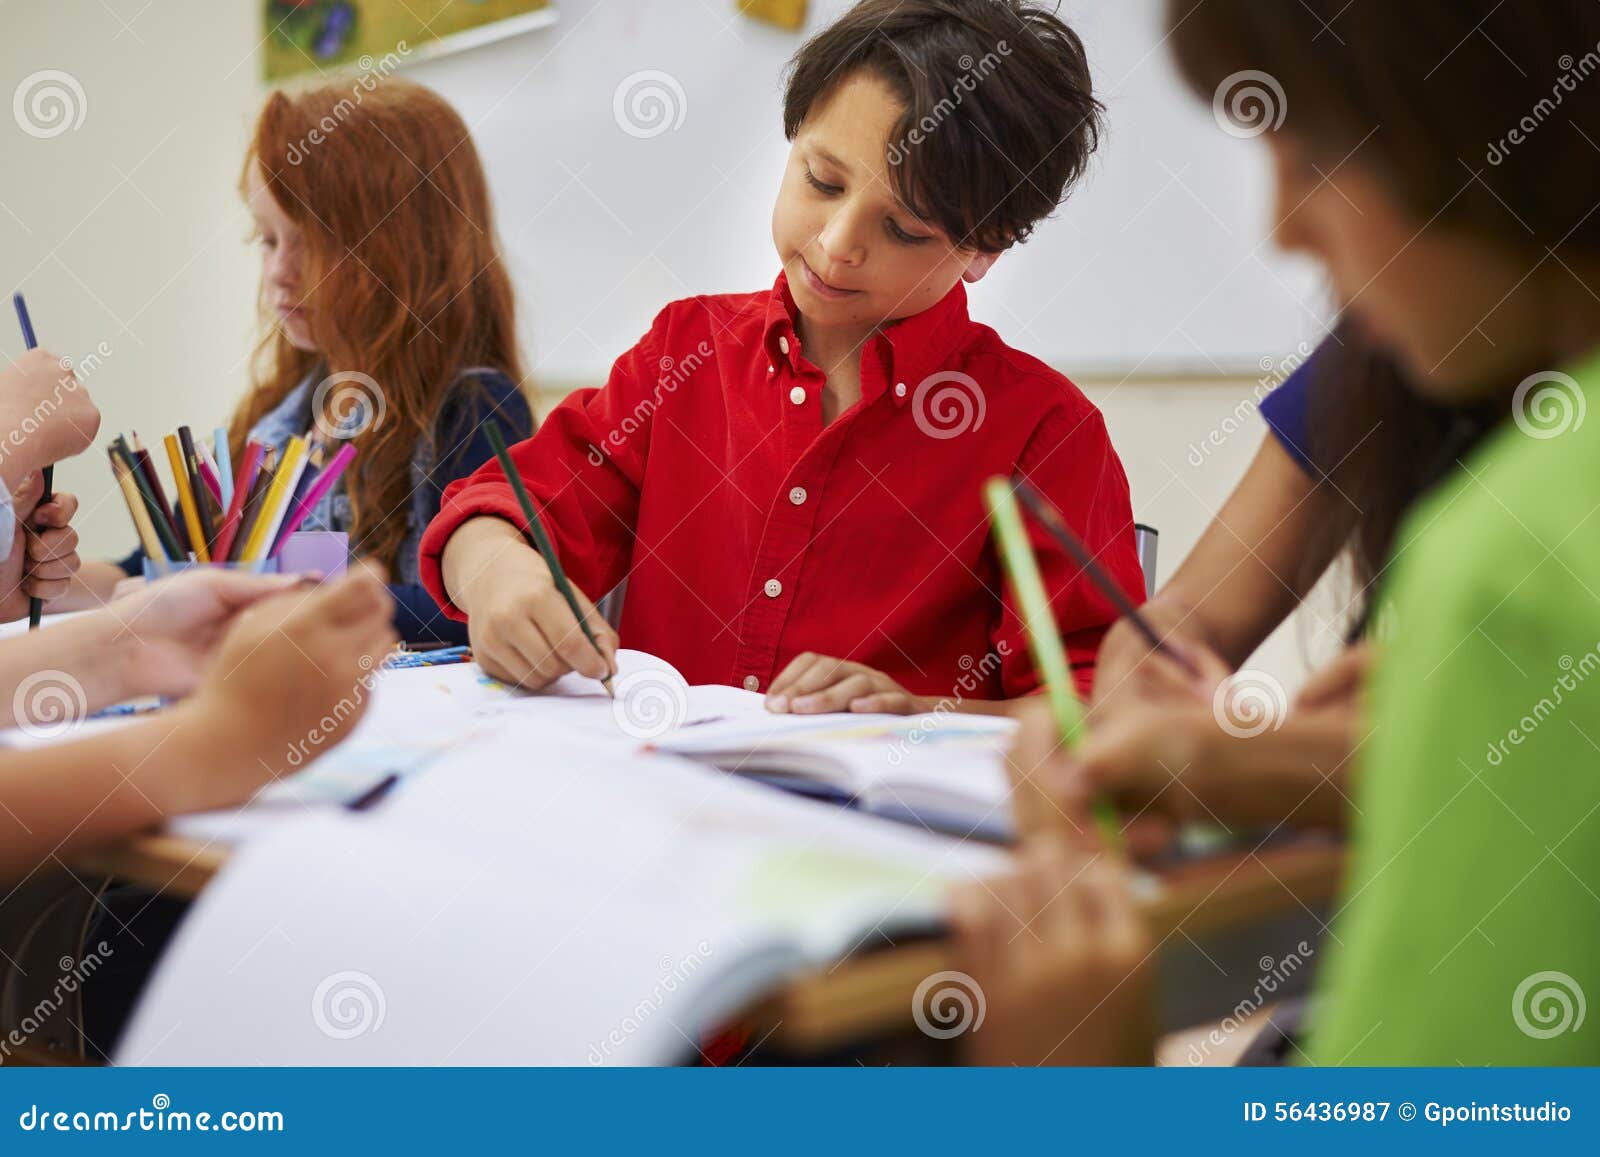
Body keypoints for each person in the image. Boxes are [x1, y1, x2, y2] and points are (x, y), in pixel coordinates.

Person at [954, 0, 1600, 1065]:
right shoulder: (1399, 362)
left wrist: (1063, 1086)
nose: (1282, 227)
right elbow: (1193, 614)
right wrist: (1327, 753)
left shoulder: (1518, 563)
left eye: (1313, 150)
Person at [422, 0, 1145, 712]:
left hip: (882, 826)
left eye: (904, 228)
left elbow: (1098, 711)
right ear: (792, 138)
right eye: (822, 181)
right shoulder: (687, 352)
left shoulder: (1044, 431)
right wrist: (495, 571)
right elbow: (500, 509)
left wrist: (919, 713)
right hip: (659, 796)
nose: (836, 244)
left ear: (985, 248)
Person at [63, 81, 534, 645]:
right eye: (266, 239)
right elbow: (153, 568)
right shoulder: (279, 411)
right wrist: (55, 582)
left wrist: (253, 599)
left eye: (311, 242)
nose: (279, 273)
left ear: (404, 251)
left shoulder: (474, 409)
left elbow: (465, 604)